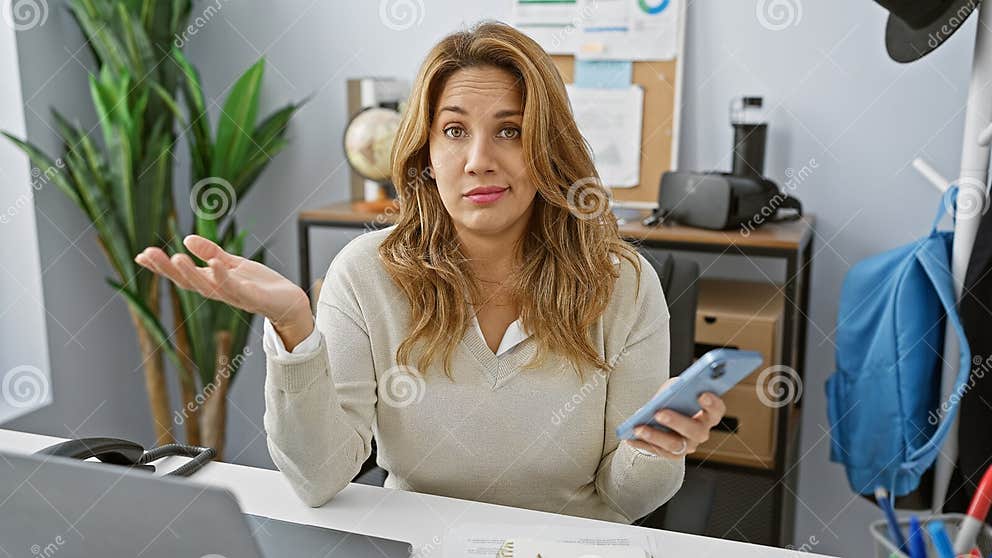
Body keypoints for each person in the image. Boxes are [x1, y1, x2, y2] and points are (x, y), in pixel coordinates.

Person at [134, 20, 727, 524]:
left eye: (510, 130)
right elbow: (317, 479)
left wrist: (658, 449)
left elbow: (629, 499)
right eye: (454, 130)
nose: (479, 160)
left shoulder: (623, 282)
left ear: (547, 146)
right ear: (425, 155)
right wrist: (293, 328)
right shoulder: (366, 273)